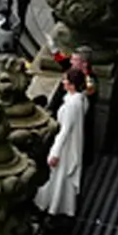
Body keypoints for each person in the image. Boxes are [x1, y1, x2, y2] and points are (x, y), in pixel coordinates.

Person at [37, 69, 89, 219]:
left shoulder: (72, 104)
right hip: (70, 145)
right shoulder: (80, 100)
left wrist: (55, 152)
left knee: (58, 176)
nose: (63, 82)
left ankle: (53, 206)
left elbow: (65, 130)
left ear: (72, 85)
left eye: (66, 80)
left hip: (65, 147)